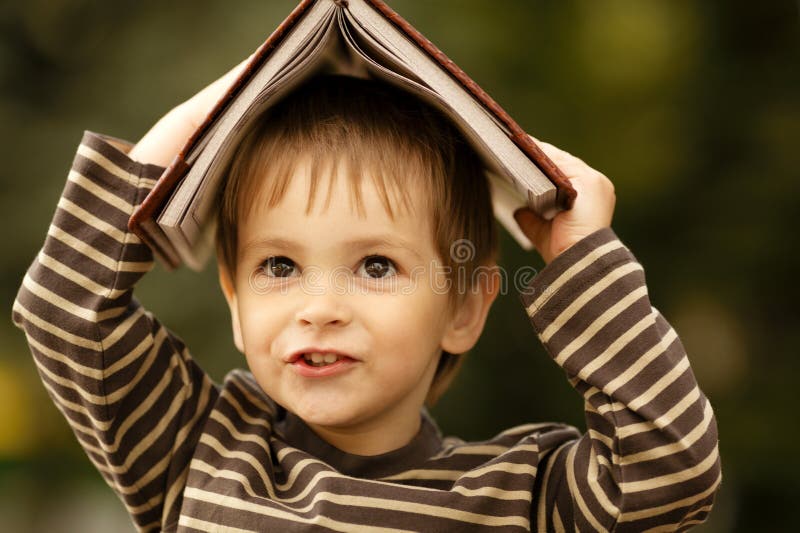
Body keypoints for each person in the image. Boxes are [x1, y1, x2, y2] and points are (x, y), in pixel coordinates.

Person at [12, 52, 721, 532]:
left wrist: (582, 258)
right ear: (234, 301)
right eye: (278, 266)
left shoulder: (518, 498)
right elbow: (64, 309)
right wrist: (227, 104)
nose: (319, 308)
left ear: (464, 307)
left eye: (376, 266)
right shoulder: (197, 451)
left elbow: (672, 474)